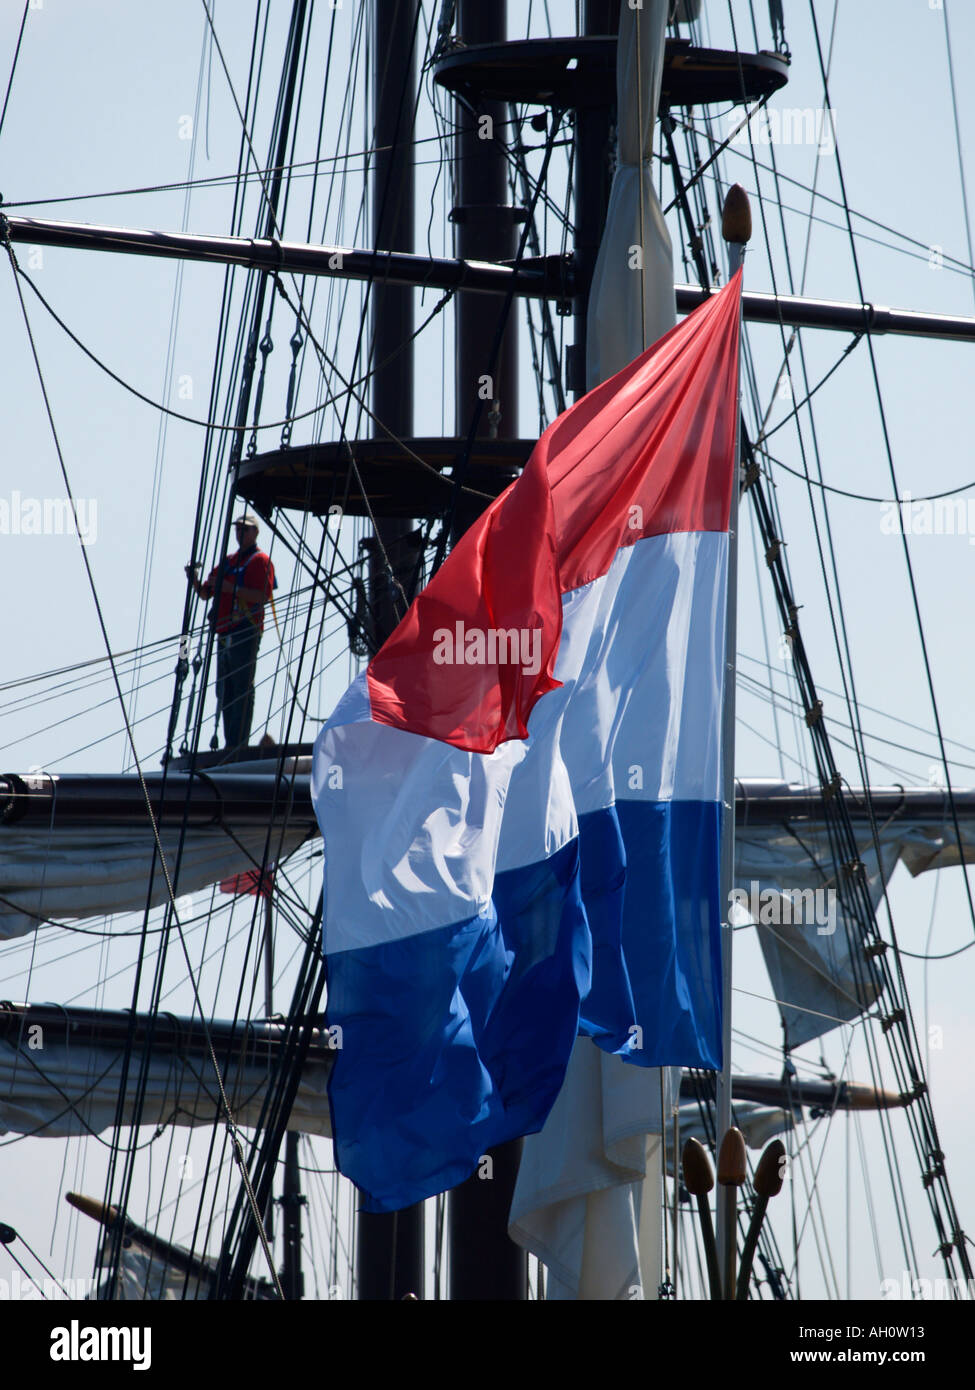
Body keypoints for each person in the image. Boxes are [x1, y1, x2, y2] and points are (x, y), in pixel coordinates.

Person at [185, 514, 276, 751]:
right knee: (224, 689)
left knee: (242, 685)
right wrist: (194, 580)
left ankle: (239, 743)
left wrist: (230, 588)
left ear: (255, 533)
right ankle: (230, 744)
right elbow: (206, 593)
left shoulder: (260, 561)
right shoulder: (228, 561)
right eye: (237, 529)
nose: (240, 533)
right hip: (225, 632)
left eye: (245, 530)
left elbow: (262, 596)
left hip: (245, 629)